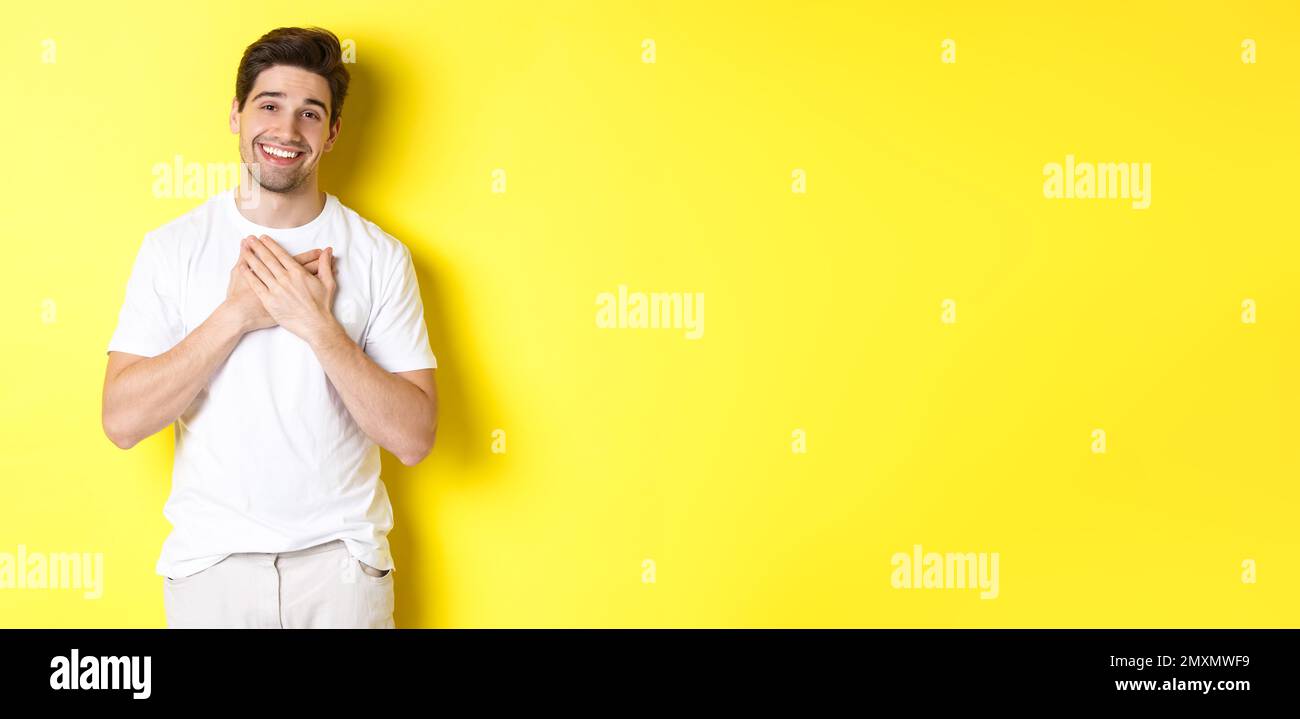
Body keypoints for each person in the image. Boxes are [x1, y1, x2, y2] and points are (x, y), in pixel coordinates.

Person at [101, 26, 438, 628]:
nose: (286, 131)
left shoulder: (382, 256)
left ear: (332, 132)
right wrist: (237, 315)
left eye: (310, 113)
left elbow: (414, 438)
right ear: (236, 115)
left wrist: (316, 325)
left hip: (343, 571)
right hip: (211, 571)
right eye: (269, 105)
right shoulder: (171, 248)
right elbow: (122, 422)